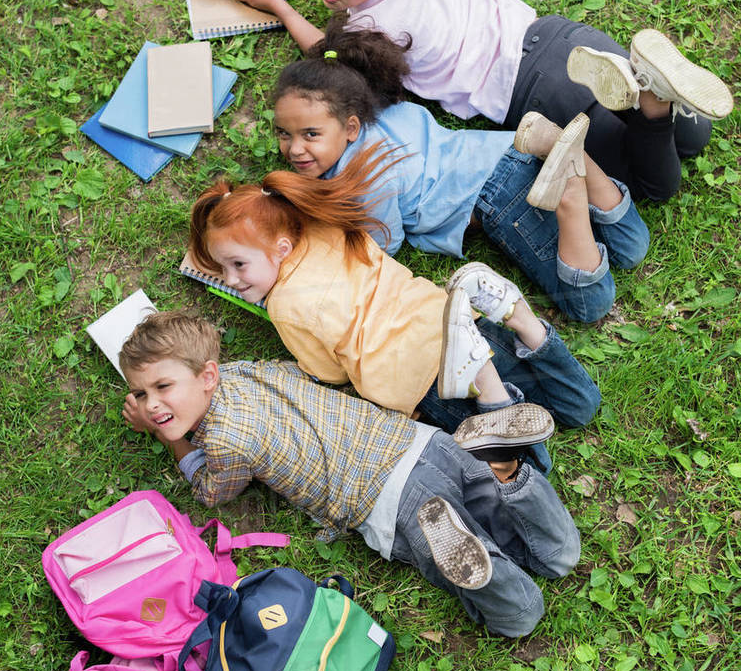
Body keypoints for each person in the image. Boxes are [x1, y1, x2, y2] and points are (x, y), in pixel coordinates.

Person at [236, 0, 733, 201]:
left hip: (531, 94)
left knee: (654, 187)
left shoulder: (371, 28)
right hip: (560, 40)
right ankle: (652, 85)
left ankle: (652, 100)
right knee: (694, 139)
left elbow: (325, 51)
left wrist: (279, 7)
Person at [119, 309, 582, 638]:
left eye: (162, 388)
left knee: (521, 615)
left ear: (206, 378)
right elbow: (294, 373)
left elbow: (212, 490)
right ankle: (508, 471)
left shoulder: (224, 441)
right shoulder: (244, 374)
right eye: (139, 394)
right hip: (423, 443)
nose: (151, 404)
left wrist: (170, 438)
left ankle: (485, 572)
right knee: (557, 556)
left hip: (392, 503)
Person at [187, 146, 601, 446]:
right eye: (224, 269)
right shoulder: (329, 229)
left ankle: (492, 395)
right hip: (452, 321)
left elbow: (328, 372)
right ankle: (524, 323)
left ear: (279, 249)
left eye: (238, 265)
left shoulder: (282, 306)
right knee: (581, 407)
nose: (232, 279)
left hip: (422, 379)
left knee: (518, 455)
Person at [272, 22, 650, 323]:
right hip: (509, 151)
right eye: (283, 134)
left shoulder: (362, 178)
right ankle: (583, 166)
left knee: (590, 304)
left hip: (497, 194)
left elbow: (385, 246)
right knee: (631, 249)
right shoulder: (382, 111)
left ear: (350, 127)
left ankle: (570, 196)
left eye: (310, 135)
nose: (295, 149)